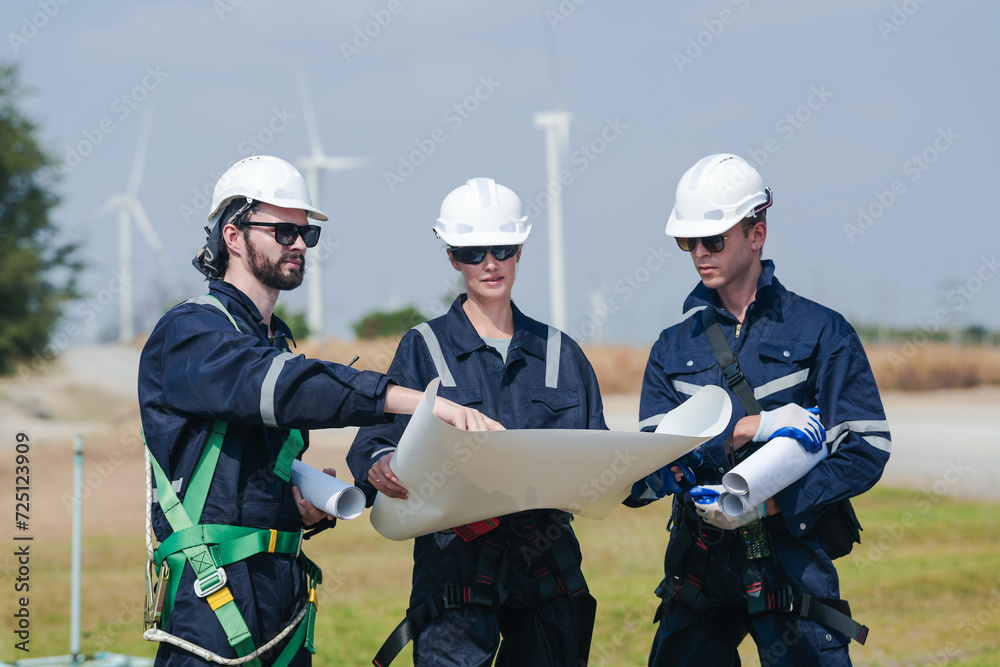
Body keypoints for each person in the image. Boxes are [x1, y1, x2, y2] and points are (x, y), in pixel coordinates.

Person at [139, 156, 500, 667]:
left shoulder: (274, 340)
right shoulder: (191, 334)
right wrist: (420, 401)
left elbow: (245, 474)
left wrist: (299, 508)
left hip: (282, 593)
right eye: (282, 230)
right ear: (233, 236)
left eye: (305, 234)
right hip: (211, 596)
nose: (297, 244)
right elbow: (288, 387)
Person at [629, 154, 891, 666]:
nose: (699, 254)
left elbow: (867, 447)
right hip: (698, 564)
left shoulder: (822, 331)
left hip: (792, 562)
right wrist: (742, 430)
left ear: (757, 233)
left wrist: (773, 504)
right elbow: (649, 461)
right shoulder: (670, 346)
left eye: (713, 240)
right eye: (688, 243)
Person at [347, 177, 606, 667]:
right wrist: (380, 463)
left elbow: (602, 455)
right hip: (455, 571)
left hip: (546, 567)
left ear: (520, 250)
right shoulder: (422, 348)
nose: (489, 263)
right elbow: (373, 441)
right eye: (472, 251)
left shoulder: (561, 354)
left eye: (502, 248)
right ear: (452, 257)